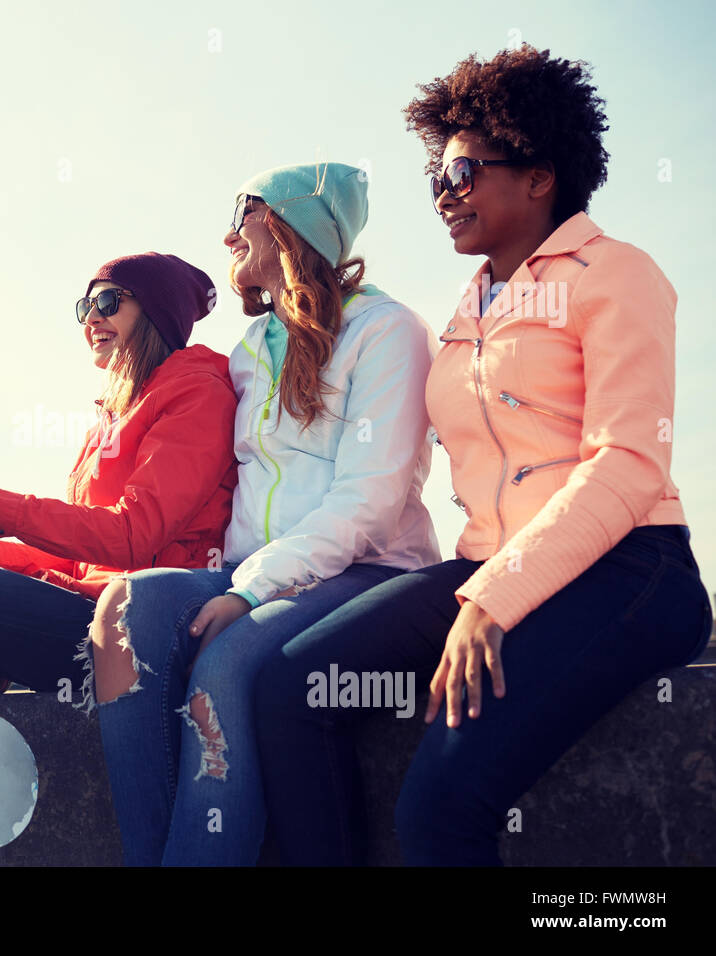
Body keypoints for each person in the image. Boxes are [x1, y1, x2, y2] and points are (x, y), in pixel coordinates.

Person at [252, 45, 712, 866]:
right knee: (290, 685)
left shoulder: (617, 274)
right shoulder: (467, 310)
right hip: (486, 571)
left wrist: (495, 601)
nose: (443, 193)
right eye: (438, 176)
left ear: (538, 175)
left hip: (627, 570)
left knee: (438, 814)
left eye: (463, 173)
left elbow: (629, 462)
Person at [88, 163, 441, 866]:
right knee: (124, 613)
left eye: (243, 211)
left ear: (288, 223)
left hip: (362, 569)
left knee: (223, 664)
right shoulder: (251, 353)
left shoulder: (387, 331)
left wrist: (253, 591)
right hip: (253, 571)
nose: (228, 232)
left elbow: (369, 502)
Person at [0, 253, 237, 698]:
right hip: (87, 603)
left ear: (156, 311)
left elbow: (134, 534)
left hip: (136, 628)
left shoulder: (198, 393)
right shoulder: (111, 416)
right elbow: (79, 559)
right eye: (84, 307)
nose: (91, 318)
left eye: (108, 301)